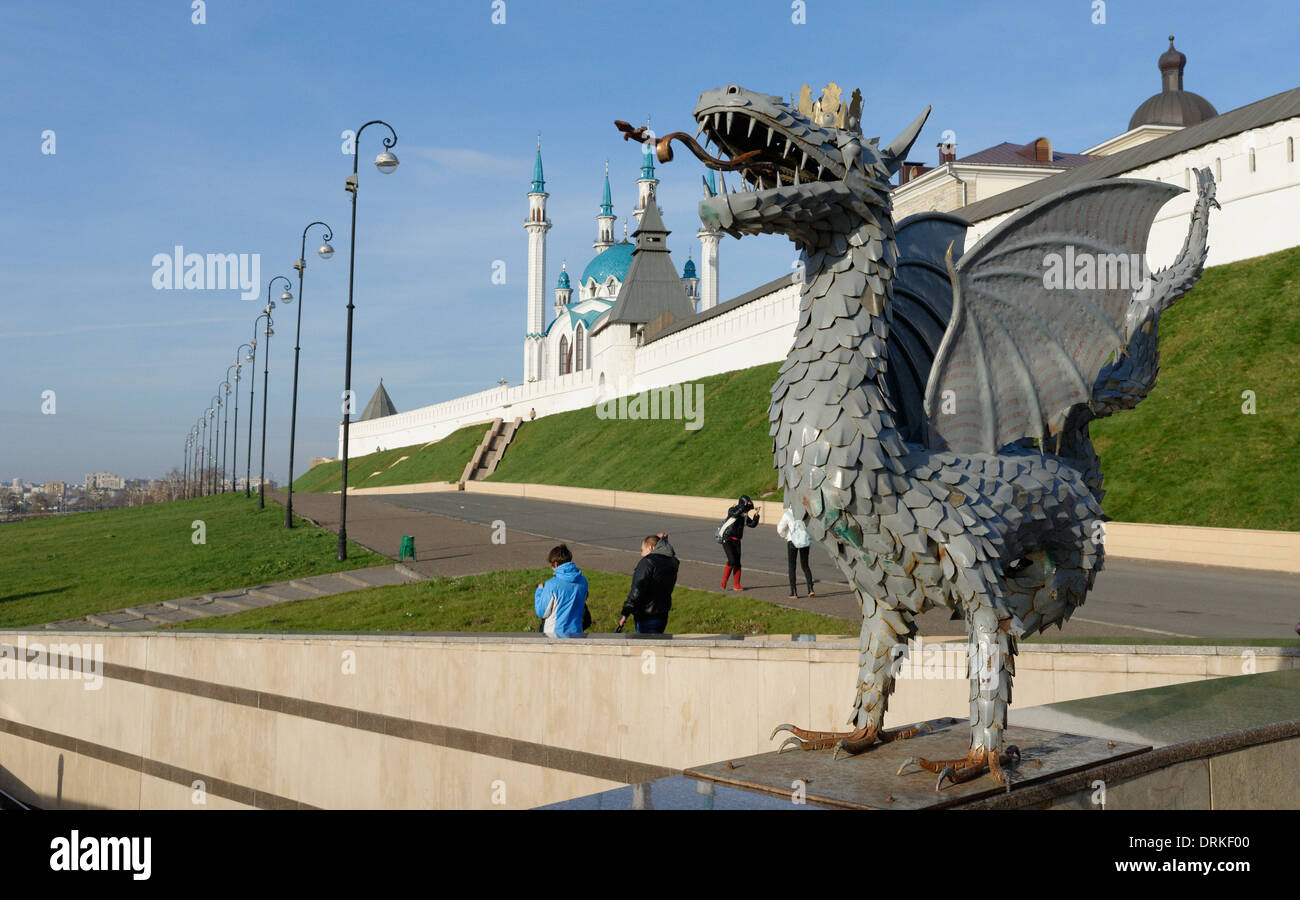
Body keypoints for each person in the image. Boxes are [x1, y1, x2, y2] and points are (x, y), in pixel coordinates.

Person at [620, 532, 679, 634]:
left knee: (646, 648)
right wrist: (664, 542)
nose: (642, 554)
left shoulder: (647, 562)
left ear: (651, 548)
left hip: (646, 616)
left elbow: (637, 590)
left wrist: (625, 612)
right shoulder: (672, 562)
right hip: (662, 615)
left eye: (643, 550)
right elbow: (669, 552)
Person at [534, 544, 588, 636]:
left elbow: (541, 612)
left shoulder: (552, 584)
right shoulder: (583, 581)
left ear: (555, 564)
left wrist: (539, 591)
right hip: (576, 633)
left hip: (554, 636)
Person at [720, 495, 759, 590]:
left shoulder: (744, 515)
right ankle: (724, 580)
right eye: (746, 506)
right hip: (727, 538)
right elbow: (735, 515)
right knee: (732, 561)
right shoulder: (732, 510)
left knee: (737, 563)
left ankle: (736, 585)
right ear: (742, 504)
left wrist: (756, 515)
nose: (747, 510)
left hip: (737, 541)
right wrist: (743, 506)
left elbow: (752, 524)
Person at [776, 507, 815, 599]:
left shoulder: (788, 513)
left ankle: (794, 592)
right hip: (804, 540)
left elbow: (780, 529)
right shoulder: (805, 511)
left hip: (792, 541)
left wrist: (786, 536)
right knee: (805, 565)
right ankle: (810, 589)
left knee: (792, 566)